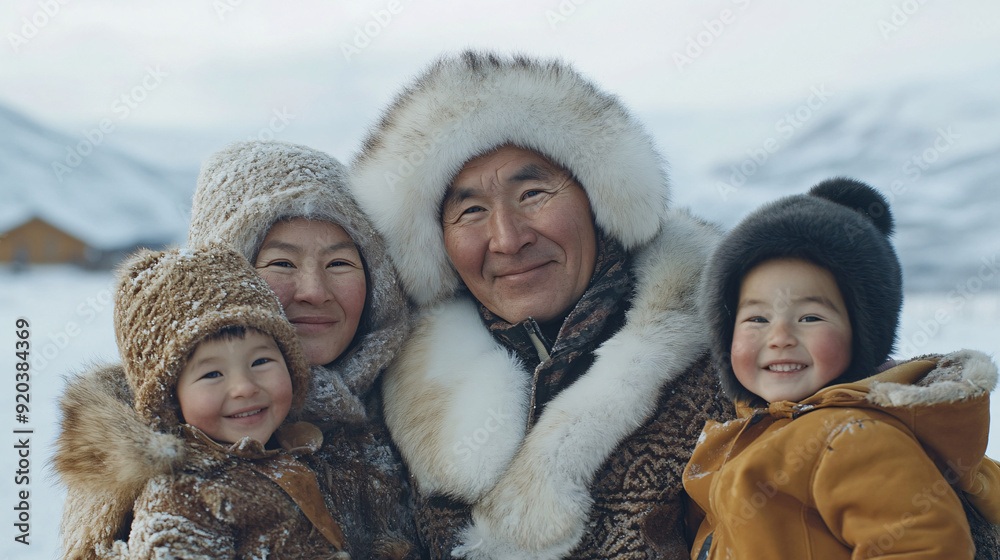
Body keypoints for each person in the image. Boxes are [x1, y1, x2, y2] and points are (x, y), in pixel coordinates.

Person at [349, 50, 733, 559]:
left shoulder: (743, 366)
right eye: (470, 211)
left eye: (532, 193)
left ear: (598, 199)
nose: (507, 239)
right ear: (436, 244)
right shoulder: (387, 406)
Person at [54, 141, 419, 559]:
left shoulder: (417, 405)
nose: (315, 292)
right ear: (222, 282)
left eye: (339, 263)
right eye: (282, 263)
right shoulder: (158, 458)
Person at [685, 178, 1000, 558]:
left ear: (862, 335)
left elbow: (924, 545)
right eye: (757, 319)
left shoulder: (855, 438)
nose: (780, 336)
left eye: (811, 317)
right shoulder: (744, 434)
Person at [67, 243, 352, 557]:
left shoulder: (317, 449)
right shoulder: (182, 499)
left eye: (261, 362)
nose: (244, 387)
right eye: (212, 374)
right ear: (170, 402)